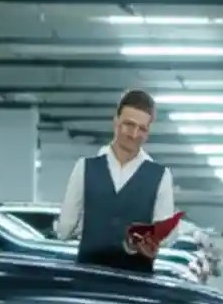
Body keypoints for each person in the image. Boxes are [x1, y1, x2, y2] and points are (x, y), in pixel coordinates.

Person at [56, 89, 176, 272]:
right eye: (129, 124)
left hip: (136, 284)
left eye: (142, 128)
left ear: (149, 131)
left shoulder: (161, 176)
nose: (134, 134)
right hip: (88, 282)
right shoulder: (84, 167)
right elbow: (64, 229)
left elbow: (165, 238)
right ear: (116, 122)